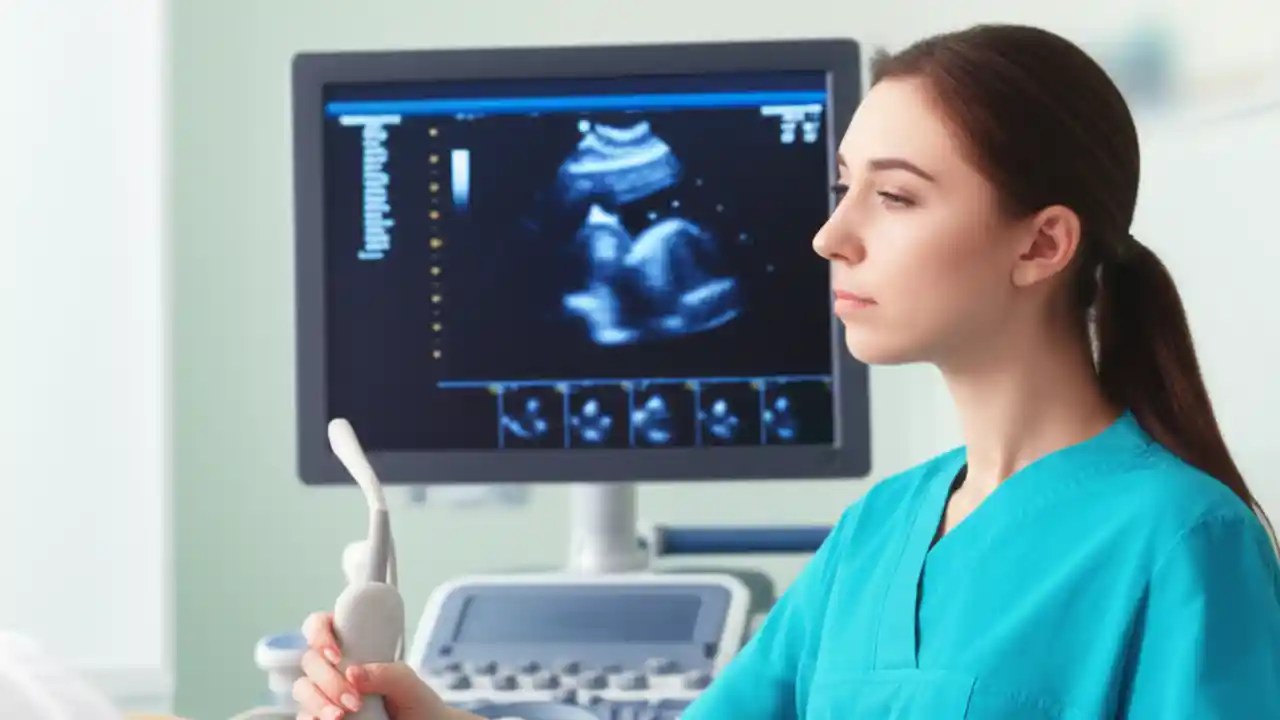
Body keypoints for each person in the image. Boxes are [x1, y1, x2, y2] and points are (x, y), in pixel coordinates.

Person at [290, 24, 1280, 720]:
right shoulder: (875, 534)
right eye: (842, 187)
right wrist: (424, 714)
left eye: (892, 198)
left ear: (1040, 245)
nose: (827, 236)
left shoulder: (1179, 543)